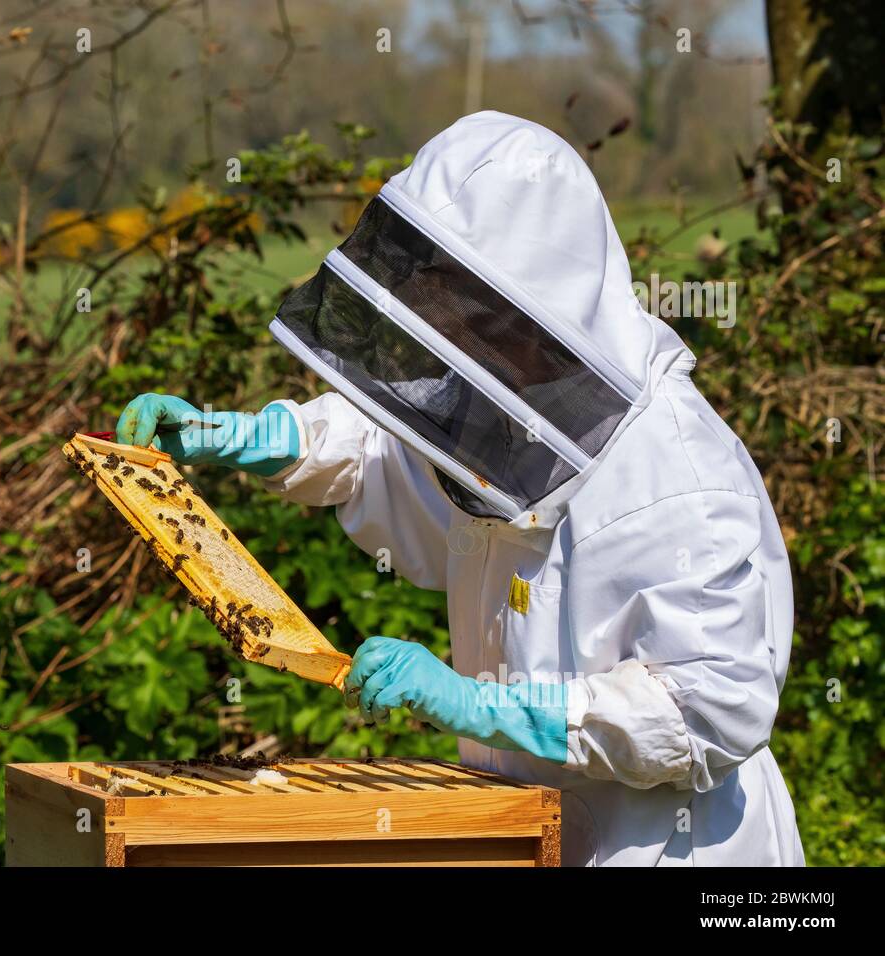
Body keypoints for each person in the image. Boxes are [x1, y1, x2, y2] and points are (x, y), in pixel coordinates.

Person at [116, 111, 804, 866]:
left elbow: (709, 711)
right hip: (524, 824)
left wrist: (479, 704)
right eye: (431, 286)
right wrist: (258, 438)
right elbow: (392, 458)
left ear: (527, 297)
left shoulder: (680, 477)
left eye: (457, 294)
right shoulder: (514, 407)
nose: (439, 318)